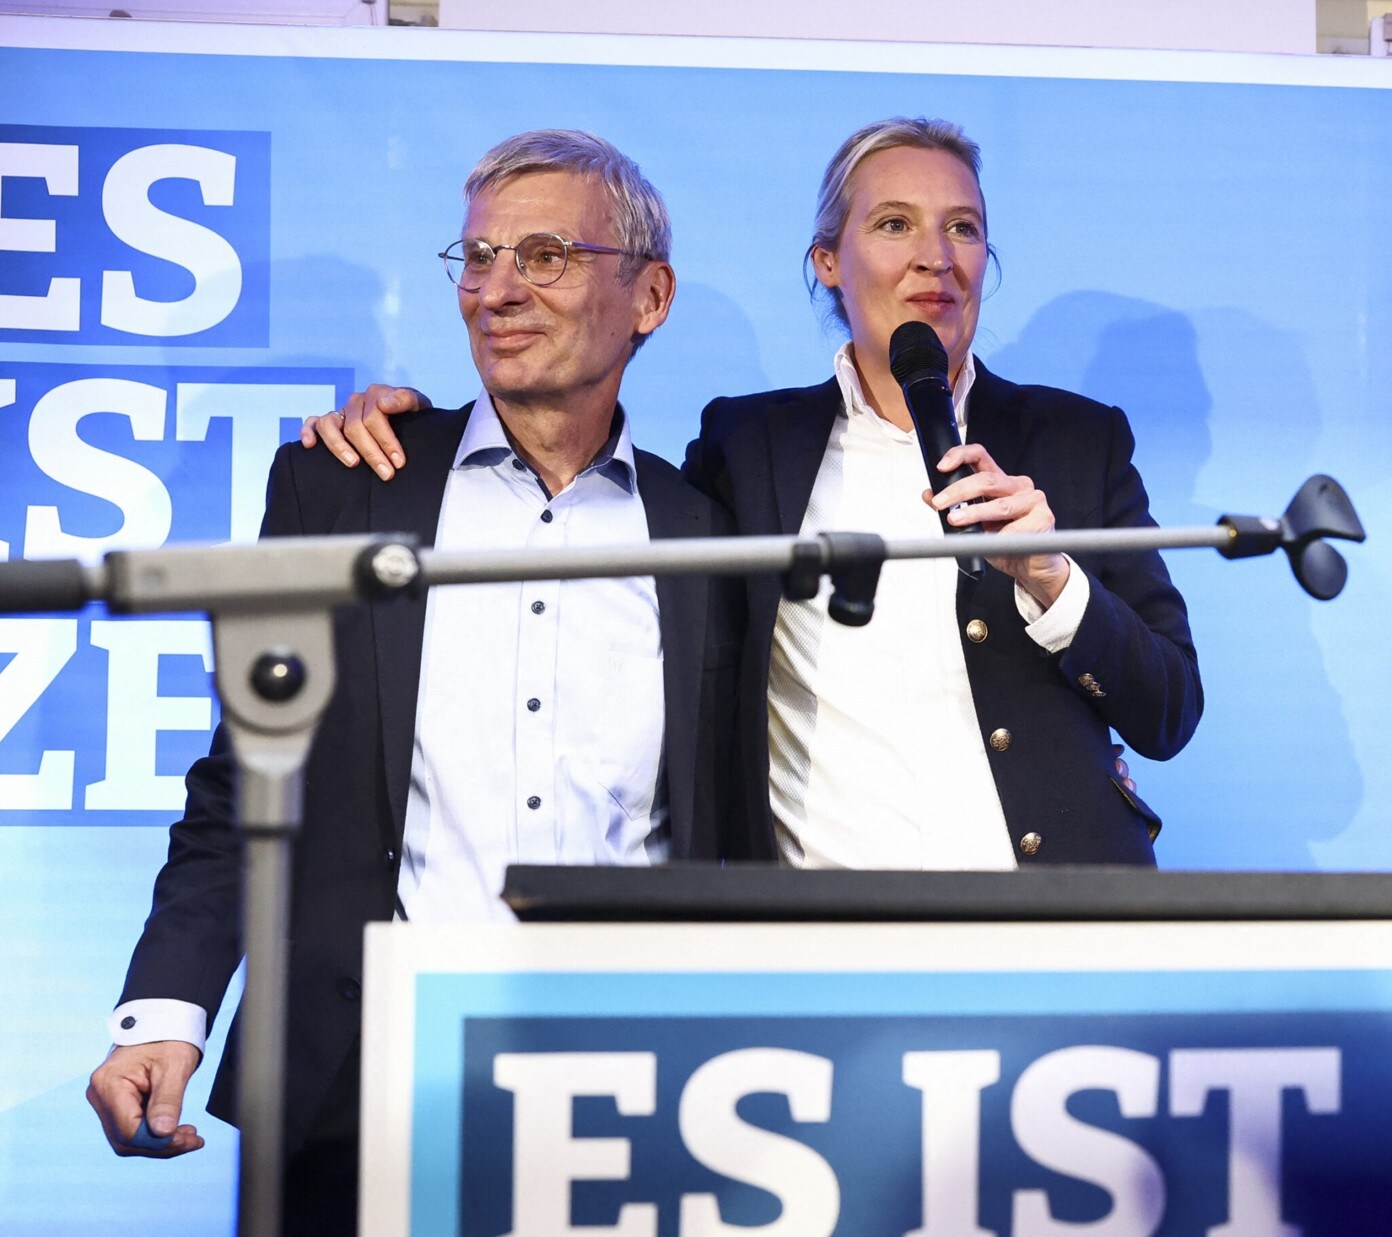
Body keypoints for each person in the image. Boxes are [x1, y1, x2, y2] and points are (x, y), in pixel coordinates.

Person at [85, 130, 741, 1231]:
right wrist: (163, 1010)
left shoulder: (708, 535)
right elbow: (247, 780)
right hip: (357, 1092)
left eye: (544, 255)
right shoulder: (345, 484)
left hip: (629, 1093)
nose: (497, 290)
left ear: (651, 296)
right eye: (477, 257)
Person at [301, 117, 1201, 868]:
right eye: (894, 224)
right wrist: (400, 423)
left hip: (1049, 925)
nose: (936, 257)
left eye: (963, 228)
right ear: (827, 260)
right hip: (826, 954)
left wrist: (1053, 577)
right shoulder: (749, 447)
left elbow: (1167, 710)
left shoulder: (1076, 441)